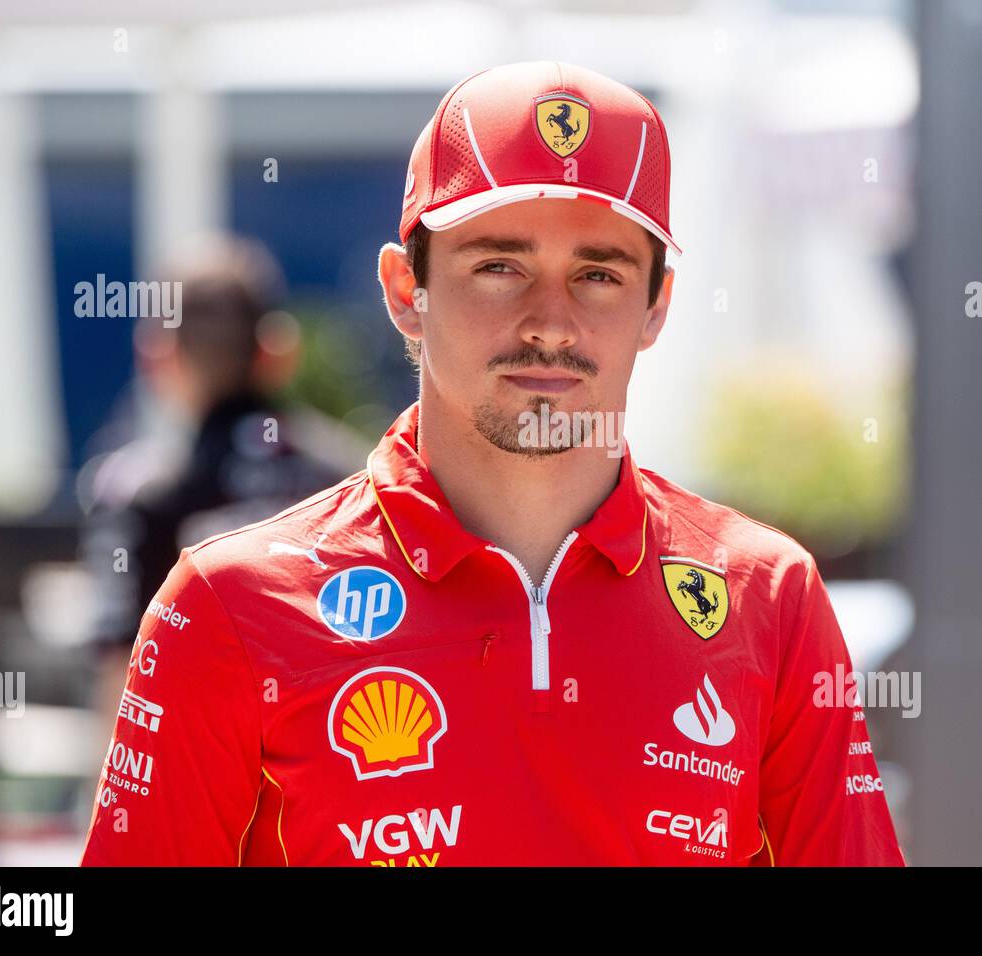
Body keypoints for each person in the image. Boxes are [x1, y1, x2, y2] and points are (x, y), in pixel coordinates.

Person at [80, 61, 904, 866]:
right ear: (408, 290)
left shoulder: (770, 599)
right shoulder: (228, 606)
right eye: (499, 267)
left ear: (656, 306)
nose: (551, 321)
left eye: (598, 274)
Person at [77, 234, 369, 748]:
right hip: (335, 776)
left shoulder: (134, 493)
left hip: (199, 781)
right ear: (278, 351)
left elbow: (120, 684)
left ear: (158, 356)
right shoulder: (353, 479)